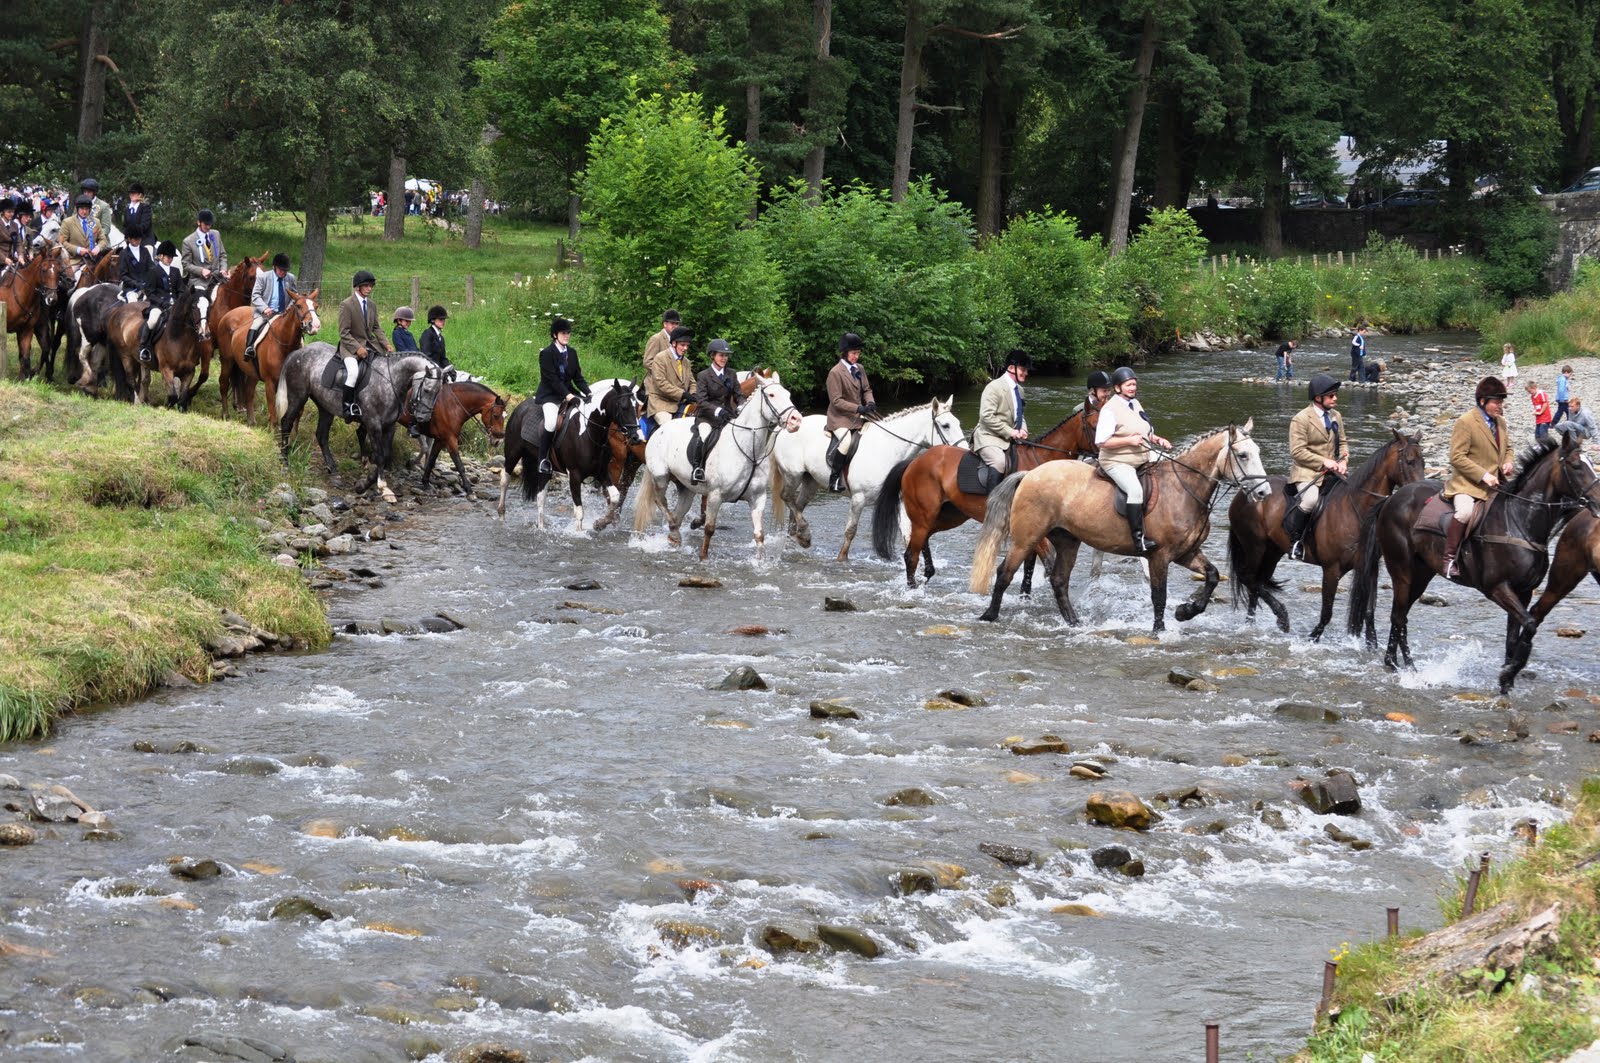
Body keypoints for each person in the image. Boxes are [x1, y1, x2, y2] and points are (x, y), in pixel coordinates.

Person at [1094, 365, 1172, 554]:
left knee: (1171, 467)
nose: (1132, 388)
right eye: (1128, 385)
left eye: (1134, 384)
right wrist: (1128, 440)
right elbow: (1101, 442)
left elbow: (1144, 430)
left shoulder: (1135, 404)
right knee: (1135, 491)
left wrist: (1157, 439)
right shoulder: (1109, 410)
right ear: (1118, 387)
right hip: (1117, 461)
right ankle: (1139, 540)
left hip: (1141, 456)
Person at [1442, 376, 1515, 579]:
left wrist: (1508, 462)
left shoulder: (1501, 422)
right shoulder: (1465, 422)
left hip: (1496, 484)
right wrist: (1483, 475)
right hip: (1467, 485)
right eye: (1496, 402)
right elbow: (1456, 457)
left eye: (1501, 402)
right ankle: (1449, 559)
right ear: (1482, 401)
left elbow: (1508, 448)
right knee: (1465, 513)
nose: (1500, 406)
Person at [1284, 373, 1349, 559]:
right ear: (1318, 397)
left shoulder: (1336, 416)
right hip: (1306, 472)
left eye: (1336, 395)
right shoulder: (1301, 419)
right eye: (1331, 395)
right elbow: (1297, 452)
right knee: (1311, 501)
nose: (1335, 398)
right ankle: (1295, 542)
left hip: (1333, 470)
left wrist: (1343, 460)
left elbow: (1343, 442)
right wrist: (1323, 461)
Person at [533, 317, 591, 474]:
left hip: (569, 393)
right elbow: (551, 379)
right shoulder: (546, 353)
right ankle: (543, 460)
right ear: (555, 335)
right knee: (551, 423)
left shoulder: (572, 353)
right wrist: (568, 396)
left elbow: (578, 377)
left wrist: (588, 391)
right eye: (563, 333)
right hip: (550, 396)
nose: (567, 336)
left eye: (568, 333)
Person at [824, 332, 876, 491]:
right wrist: (857, 408)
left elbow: (866, 389)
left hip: (858, 415)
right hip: (839, 417)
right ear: (845, 353)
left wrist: (870, 402)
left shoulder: (859, 368)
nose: (856, 356)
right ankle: (834, 480)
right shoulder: (835, 373)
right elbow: (836, 401)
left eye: (858, 353)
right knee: (846, 442)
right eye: (853, 353)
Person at [337, 270, 391, 419]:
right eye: (366, 286)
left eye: (371, 286)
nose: (369, 288)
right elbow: (344, 333)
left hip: (370, 345)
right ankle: (348, 407)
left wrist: (386, 344)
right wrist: (357, 348)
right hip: (350, 347)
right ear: (358, 287)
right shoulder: (346, 305)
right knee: (353, 372)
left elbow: (376, 328)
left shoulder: (372, 305)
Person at [688, 338, 740, 484]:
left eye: (726, 355)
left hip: (727, 415)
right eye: (721, 355)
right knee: (704, 435)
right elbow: (702, 401)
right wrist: (717, 410)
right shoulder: (703, 375)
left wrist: (741, 406)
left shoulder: (731, 373)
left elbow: (739, 395)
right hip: (707, 417)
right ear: (712, 356)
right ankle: (697, 468)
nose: (724, 358)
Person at [973, 350, 1032, 476]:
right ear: (1011, 368)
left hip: (1012, 438)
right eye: (1023, 369)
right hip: (988, 436)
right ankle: (994, 490)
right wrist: (1010, 432)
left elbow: (1020, 414)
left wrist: (1023, 429)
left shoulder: (1020, 390)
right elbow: (986, 416)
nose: (1026, 373)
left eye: (1026, 370)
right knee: (1000, 462)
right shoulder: (993, 387)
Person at [246, 253, 297, 361]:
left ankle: (300, 349)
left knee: (297, 328)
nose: (283, 273)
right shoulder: (263, 277)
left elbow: (295, 296)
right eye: (280, 270)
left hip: (284, 314)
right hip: (266, 313)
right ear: (274, 267)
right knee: (256, 324)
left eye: (285, 271)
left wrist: (289, 307)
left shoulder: (291, 278)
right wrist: (265, 308)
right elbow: (255, 295)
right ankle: (249, 348)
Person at [138, 241, 182, 364]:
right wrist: (162, 303)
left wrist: (179, 301)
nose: (170, 259)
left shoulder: (175, 271)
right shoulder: (153, 271)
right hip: (158, 306)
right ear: (161, 256)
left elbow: (181, 289)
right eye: (168, 257)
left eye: (172, 257)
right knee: (153, 320)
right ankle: (144, 347)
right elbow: (150, 292)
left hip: (175, 306)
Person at [645, 326, 694, 428]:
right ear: (674, 343)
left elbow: (692, 382)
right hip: (661, 403)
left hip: (679, 402)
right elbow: (661, 384)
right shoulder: (660, 358)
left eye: (687, 345)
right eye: (682, 345)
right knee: (669, 426)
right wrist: (683, 394)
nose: (685, 348)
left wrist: (694, 394)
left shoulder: (686, 362)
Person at [59, 195, 107, 277]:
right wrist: (78, 250)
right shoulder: (67, 222)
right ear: (77, 209)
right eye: (82, 209)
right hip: (74, 260)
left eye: (86, 209)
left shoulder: (96, 222)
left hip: (93, 259)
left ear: (90, 209)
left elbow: (103, 240)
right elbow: (62, 242)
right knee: (68, 278)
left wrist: (98, 248)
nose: (84, 212)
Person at [180, 209, 228, 289]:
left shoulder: (216, 234)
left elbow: (222, 255)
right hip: (199, 281)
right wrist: (201, 270)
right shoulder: (188, 241)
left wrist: (223, 269)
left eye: (210, 224)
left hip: (218, 278)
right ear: (198, 222)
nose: (208, 227)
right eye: (206, 224)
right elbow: (186, 264)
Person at [118, 227, 155, 302]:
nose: (138, 241)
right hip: (131, 289)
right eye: (135, 239)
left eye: (139, 239)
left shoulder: (145, 251)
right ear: (129, 239)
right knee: (133, 302)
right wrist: (135, 284)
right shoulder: (124, 253)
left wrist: (148, 281)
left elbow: (151, 267)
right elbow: (123, 275)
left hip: (145, 286)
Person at [642, 309, 681, 377]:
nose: (675, 326)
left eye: (677, 324)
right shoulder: (656, 339)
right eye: (672, 323)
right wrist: (666, 372)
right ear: (665, 324)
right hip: (656, 380)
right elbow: (647, 362)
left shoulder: (678, 340)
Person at [80, 178, 114, 246]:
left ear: (94, 193)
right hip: (80, 241)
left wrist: (92, 237)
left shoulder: (104, 206)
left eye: (89, 192)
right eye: (84, 192)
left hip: (99, 243)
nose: (86, 194)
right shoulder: (79, 205)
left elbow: (106, 228)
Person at [420, 305, 450, 372]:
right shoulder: (427, 334)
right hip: (429, 369)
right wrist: (438, 368)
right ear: (433, 320)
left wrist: (448, 367)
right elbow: (426, 356)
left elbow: (443, 358)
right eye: (440, 319)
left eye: (444, 319)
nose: (443, 322)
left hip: (439, 369)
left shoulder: (441, 338)